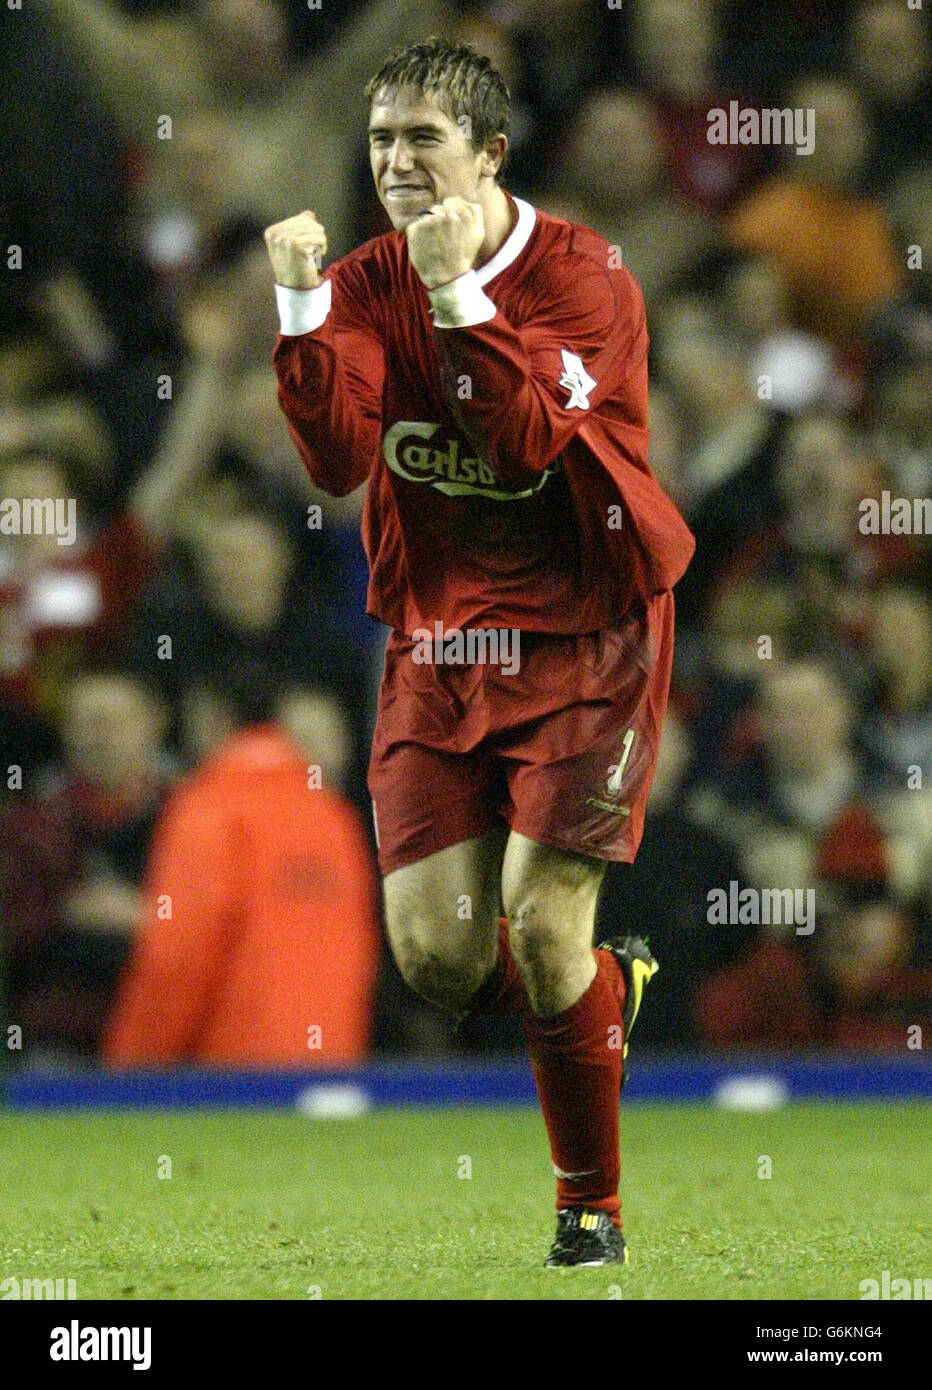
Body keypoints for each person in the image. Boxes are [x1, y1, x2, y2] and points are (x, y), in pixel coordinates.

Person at [264, 39, 694, 1267]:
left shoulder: (586, 280)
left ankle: (588, 1209)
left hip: (585, 632)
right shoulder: (355, 282)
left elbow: (515, 448)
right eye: (380, 140)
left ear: (490, 153)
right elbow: (339, 459)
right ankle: (601, 1002)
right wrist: (300, 312)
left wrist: (461, 300)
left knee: (543, 922)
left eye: (423, 140)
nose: (395, 162)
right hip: (439, 640)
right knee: (441, 960)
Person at [103, 676, 379, 1068]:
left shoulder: (208, 807)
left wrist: (133, 1063)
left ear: (213, 718)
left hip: (231, 1079)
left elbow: (179, 953)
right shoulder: (333, 814)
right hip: (334, 1067)